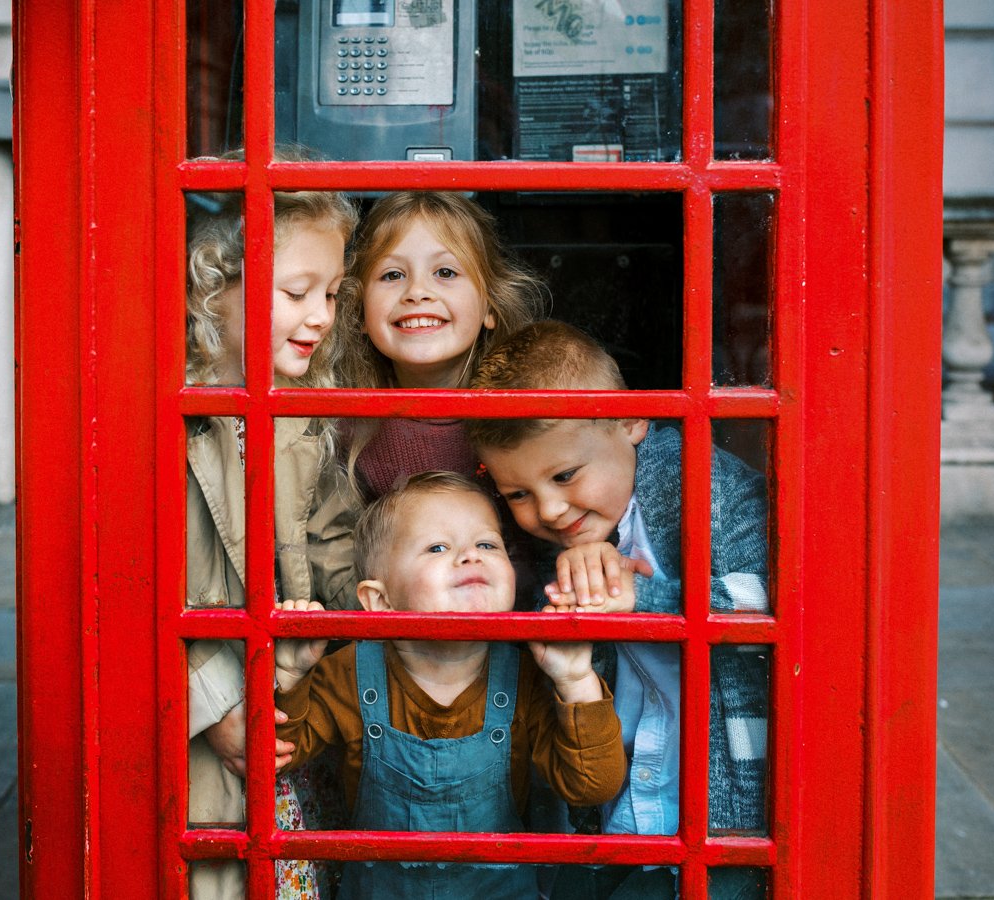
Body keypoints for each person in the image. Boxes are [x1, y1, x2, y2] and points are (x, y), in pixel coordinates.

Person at [468, 320, 770, 900]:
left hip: (725, 810)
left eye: (564, 475)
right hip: (613, 818)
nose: (550, 509)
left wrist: (643, 600)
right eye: (519, 494)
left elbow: (774, 608)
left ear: (631, 421)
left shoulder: (708, 487)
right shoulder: (551, 542)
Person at [273, 472, 627, 897]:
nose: (470, 557)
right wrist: (290, 677)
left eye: (487, 544)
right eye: (438, 548)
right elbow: (272, 758)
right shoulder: (349, 673)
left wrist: (574, 679)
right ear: (380, 602)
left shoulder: (528, 677)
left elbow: (593, 788)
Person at [183, 165, 362, 900]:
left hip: (291, 716)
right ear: (212, 289)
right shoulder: (171, 416)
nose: (319, 316)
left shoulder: (306, 419)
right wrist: (217, 706)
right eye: (296, 293)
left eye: (330, 295)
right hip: (199, 738)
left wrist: (377, 598)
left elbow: (331, 547)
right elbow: (126, 581)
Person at [337, 191, 547, 500]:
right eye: (393, 274)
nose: (418, 292)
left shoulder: (526, 413)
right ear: (361, 313)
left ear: (489, 306)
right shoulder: (344, 427)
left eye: (445, 272)